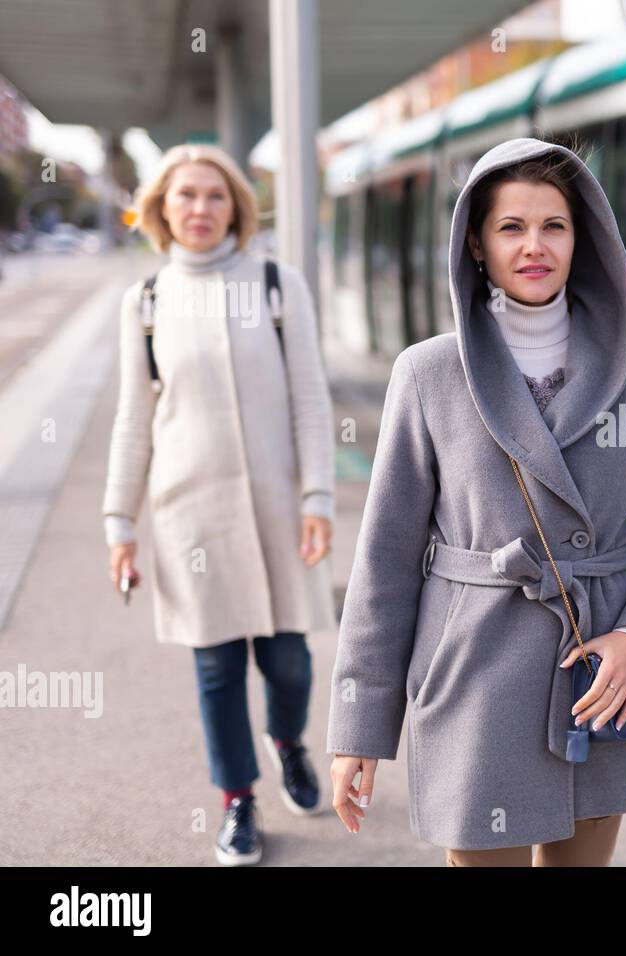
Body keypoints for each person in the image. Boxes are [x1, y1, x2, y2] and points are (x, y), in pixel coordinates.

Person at [325, 137, 626, 866]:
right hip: (475, 676)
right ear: (476, 243)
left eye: (554, 226)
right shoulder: (429, 373)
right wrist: (359, 730)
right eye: (511, 228)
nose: (534, 246)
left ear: (583, 238)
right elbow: (385, 563)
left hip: (600, 673)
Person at [102, 143, 337, 866]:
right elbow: (133, 418)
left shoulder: (275, 283)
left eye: (214, 195)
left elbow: (309, 395)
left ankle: (288, 741)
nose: (200, 209)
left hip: (276, 509)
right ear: (161, 210)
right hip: (188, 515)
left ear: (235, 204)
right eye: (184, 196)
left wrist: (318, 496)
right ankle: (238, 799)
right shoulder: (143, 302)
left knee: (289, 659)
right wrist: (119, 521)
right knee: (215, 668)